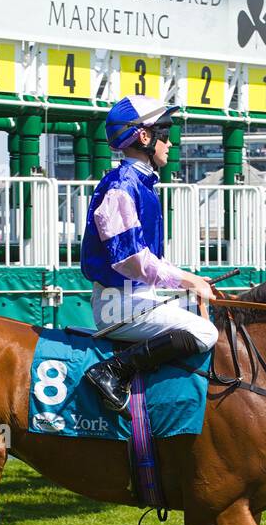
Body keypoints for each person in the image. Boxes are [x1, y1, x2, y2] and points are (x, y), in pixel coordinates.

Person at [80, 95, 218, 412]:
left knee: (209, 314)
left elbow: (148, 259)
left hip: (136, 297)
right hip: (119, 304)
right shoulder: (121, 186)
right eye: (165, 135)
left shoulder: (141, 183)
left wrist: (191, 279)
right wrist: (185, 281)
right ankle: (112, 371)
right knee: (204, 331)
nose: (170, 143)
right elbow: (130, 260)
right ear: (145, 137)